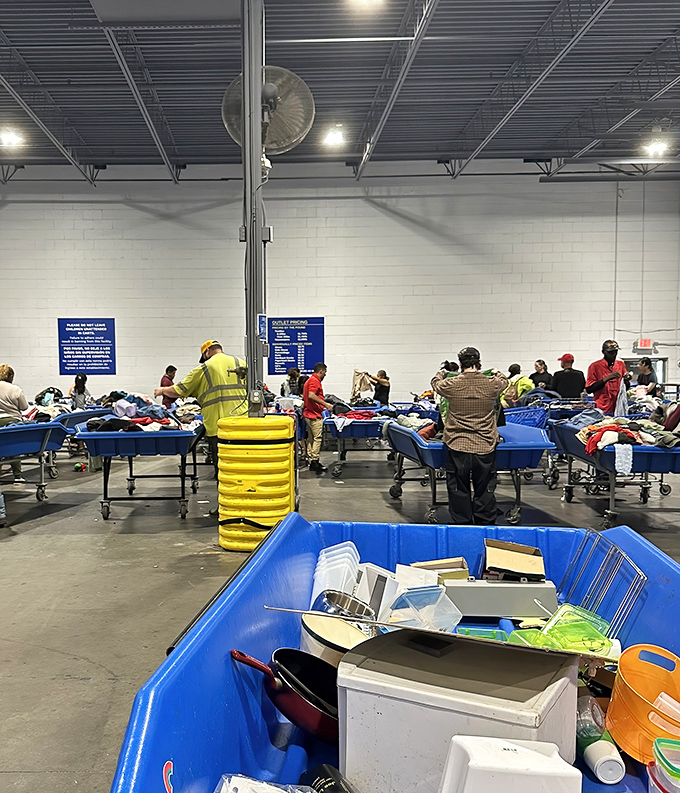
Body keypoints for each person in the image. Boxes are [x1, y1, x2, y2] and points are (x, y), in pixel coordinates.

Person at [154, 341, 247, 491]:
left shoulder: (205, 368)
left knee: (224, 470)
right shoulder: (240, 363)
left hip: (219, 427)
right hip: (243, 425)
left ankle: (227, 507)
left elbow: (179, 390)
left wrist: (162, 390)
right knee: (243, 467)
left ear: (207, 352)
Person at [431, 347, 508, 525]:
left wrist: (441, 372)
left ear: (460, 364)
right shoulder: (492, 384)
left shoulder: (451, 385)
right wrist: (497, 371)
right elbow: (505, 381)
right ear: (479, 363)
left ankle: (462, 523)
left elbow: (435, 384)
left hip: (458, 444)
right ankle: (485, 523)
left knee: (458, 487)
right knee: (485, 488)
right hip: (485, 444)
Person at [0, 364, 28, 483]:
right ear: (11, 376)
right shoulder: (15, 389)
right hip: (12, 421)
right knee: (14, 449)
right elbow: (24, 407)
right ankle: (17, 476)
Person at [586, 340, 631, 414]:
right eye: (610, 353)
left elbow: (625, 388)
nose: (613, 355)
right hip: (602, 408)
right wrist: (607, 378)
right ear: (603, 352)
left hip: (618, 406)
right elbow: (589, 389)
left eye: (615, 352)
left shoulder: (620, 364)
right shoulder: (595, 366)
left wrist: (627, 380)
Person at [303, 362, 332, 473]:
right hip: (314, 415)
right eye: (325, 373)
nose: (325, 375)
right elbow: (311, 395)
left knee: (310, 439)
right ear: (321, 371)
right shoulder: (315, 381)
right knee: (317, 438)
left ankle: (311, 460)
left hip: (308, 414)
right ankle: (315, 461)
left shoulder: (309, 380)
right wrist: (326, 404)